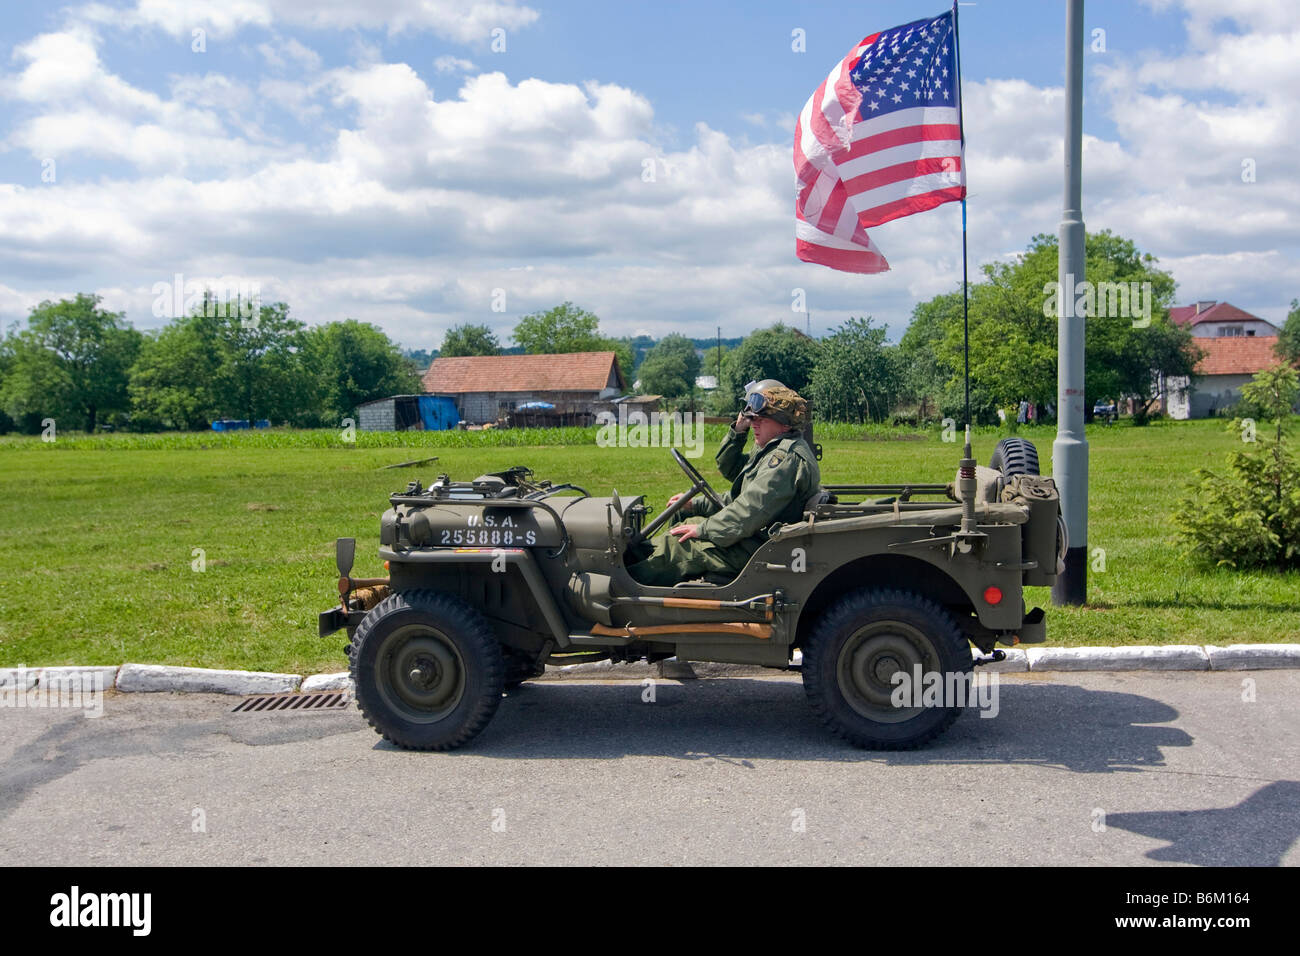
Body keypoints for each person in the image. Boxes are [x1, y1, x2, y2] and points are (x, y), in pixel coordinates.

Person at [627, 383, 821, 587]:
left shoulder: (785, 459)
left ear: (785, 424)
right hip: (755, 538)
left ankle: (625, 589)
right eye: (752, 418)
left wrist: (704, 529)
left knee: (681, 546)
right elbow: (743, 497)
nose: (753, 424)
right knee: (682, 525)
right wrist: (696, 505)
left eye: (761, 420)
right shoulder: (775, 448)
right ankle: (633, 563)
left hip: (759, 548)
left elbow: (749, 511)